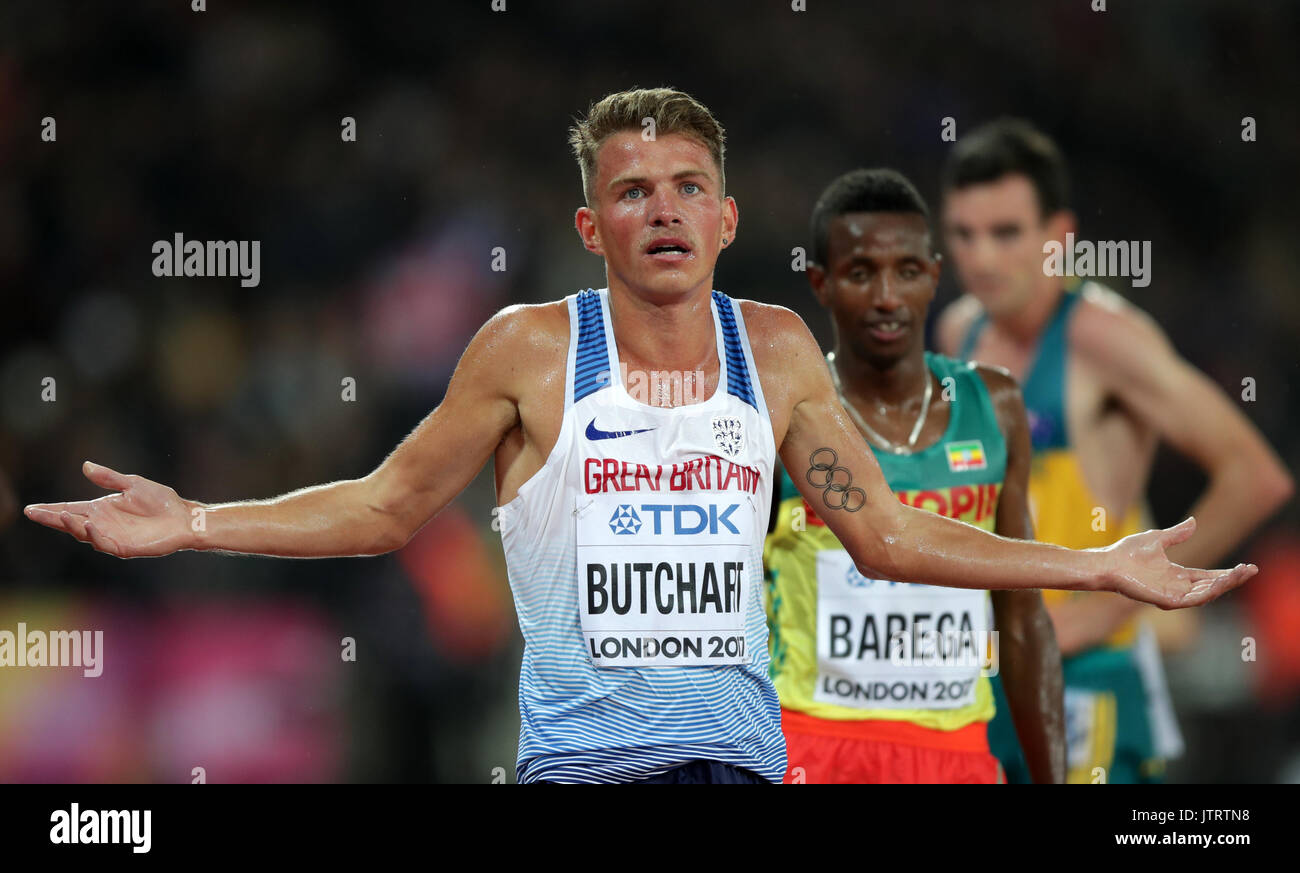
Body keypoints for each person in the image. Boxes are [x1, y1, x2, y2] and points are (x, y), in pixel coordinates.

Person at [24, 89, 1256, 785]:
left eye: (682, 190)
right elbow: (387, 507)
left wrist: (1095, 562)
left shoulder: (772, 350)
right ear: (589, 223)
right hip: (577, 772)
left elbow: (883, 535)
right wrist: (191, 521)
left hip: (737, 768)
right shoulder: (528, 349)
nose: (658, 210)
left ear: (723, 218)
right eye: (630, 191)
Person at [936, 119, 1294, 783]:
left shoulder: (1105, 339)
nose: (982, 257)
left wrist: (1111, 607)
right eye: (964, 233)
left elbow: (1256, 476)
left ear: (1059, 236)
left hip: (1088, 678)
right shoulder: (961, 329)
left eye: (1006, 233)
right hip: (982, 674)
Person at [765, 168, 1064, 783]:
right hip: (809, 745)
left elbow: (1022, 613)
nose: (885, 297)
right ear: (820, 282)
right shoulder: (780, 413)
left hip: (954, 753)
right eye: (859, 272)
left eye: (905, 271)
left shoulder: (995, 406)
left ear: (933, 275)